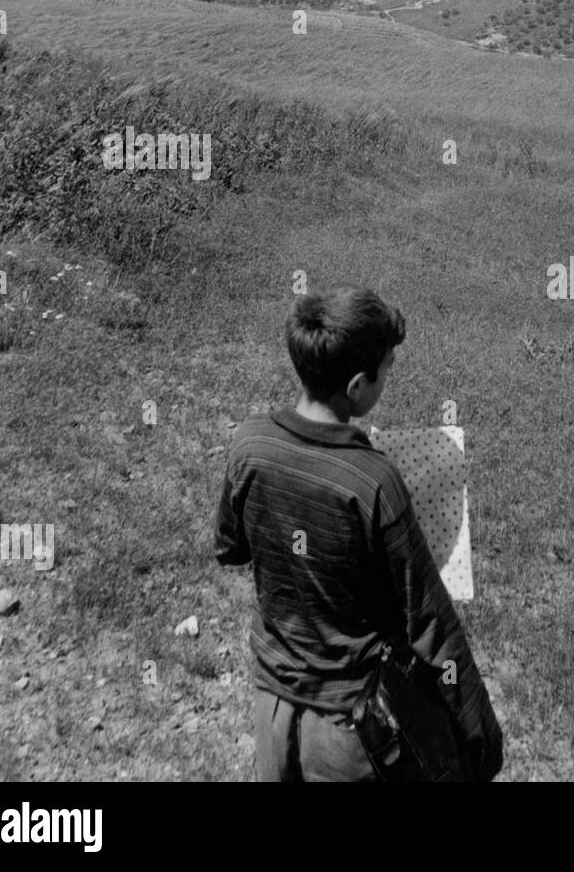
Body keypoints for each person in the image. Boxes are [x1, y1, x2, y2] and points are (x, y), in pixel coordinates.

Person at [215, 284, 503, 781]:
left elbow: (230, 547)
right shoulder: (375, 482)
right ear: (356, 386)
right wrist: (480, 731)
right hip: (346, 730)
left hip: (272, 709)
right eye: (388, 369)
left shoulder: (248, 446)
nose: (389, 377)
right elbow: (429, 621)